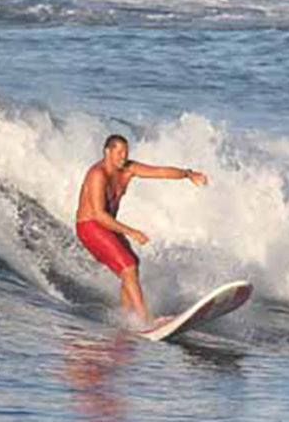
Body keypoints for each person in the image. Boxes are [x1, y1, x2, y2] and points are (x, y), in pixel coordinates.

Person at [75, 134, 208, 328]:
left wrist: (188, 174)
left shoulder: (127, 169)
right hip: (90, 226)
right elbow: (98, 214)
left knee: (132, 265)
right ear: (107, 152)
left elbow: (160, 172)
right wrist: (131, 232)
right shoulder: (97, 174)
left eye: (126, 152)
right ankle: (145, 321)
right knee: (128, 266)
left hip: (106, 225)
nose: (123, 156)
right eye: (119, 152)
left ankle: (128, 315)